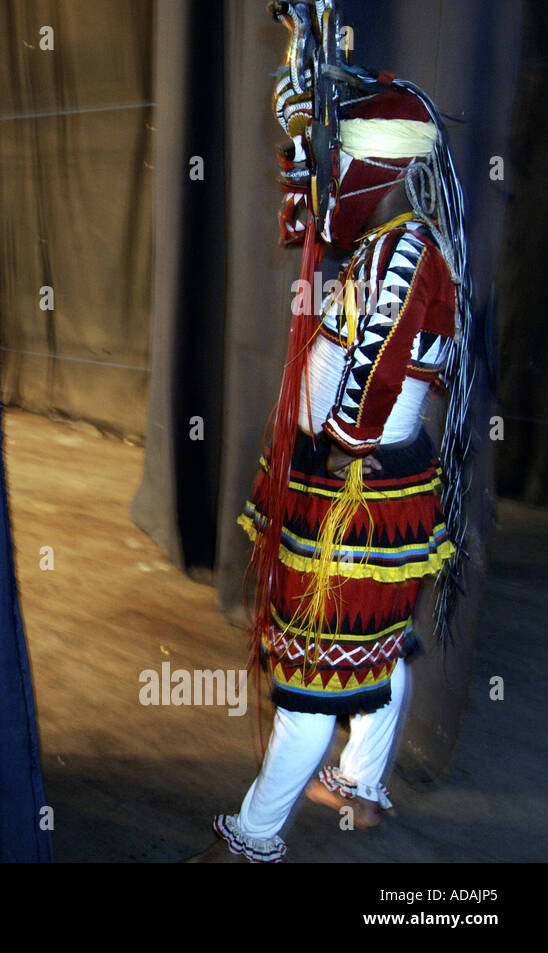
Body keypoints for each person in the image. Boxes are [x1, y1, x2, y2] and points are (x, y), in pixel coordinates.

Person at [197, 1, 475, 862]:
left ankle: (256, 835)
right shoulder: (380, 242)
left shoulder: (406, 255)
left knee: (319, 676)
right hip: (361, 486)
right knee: (375, 645)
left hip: (356, 492)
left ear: (384, 168)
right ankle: (360, 782)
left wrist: (324, 449)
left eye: (347, 160)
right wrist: (301, 69)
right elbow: (306, 212)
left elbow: (365, 398)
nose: (333, 175)